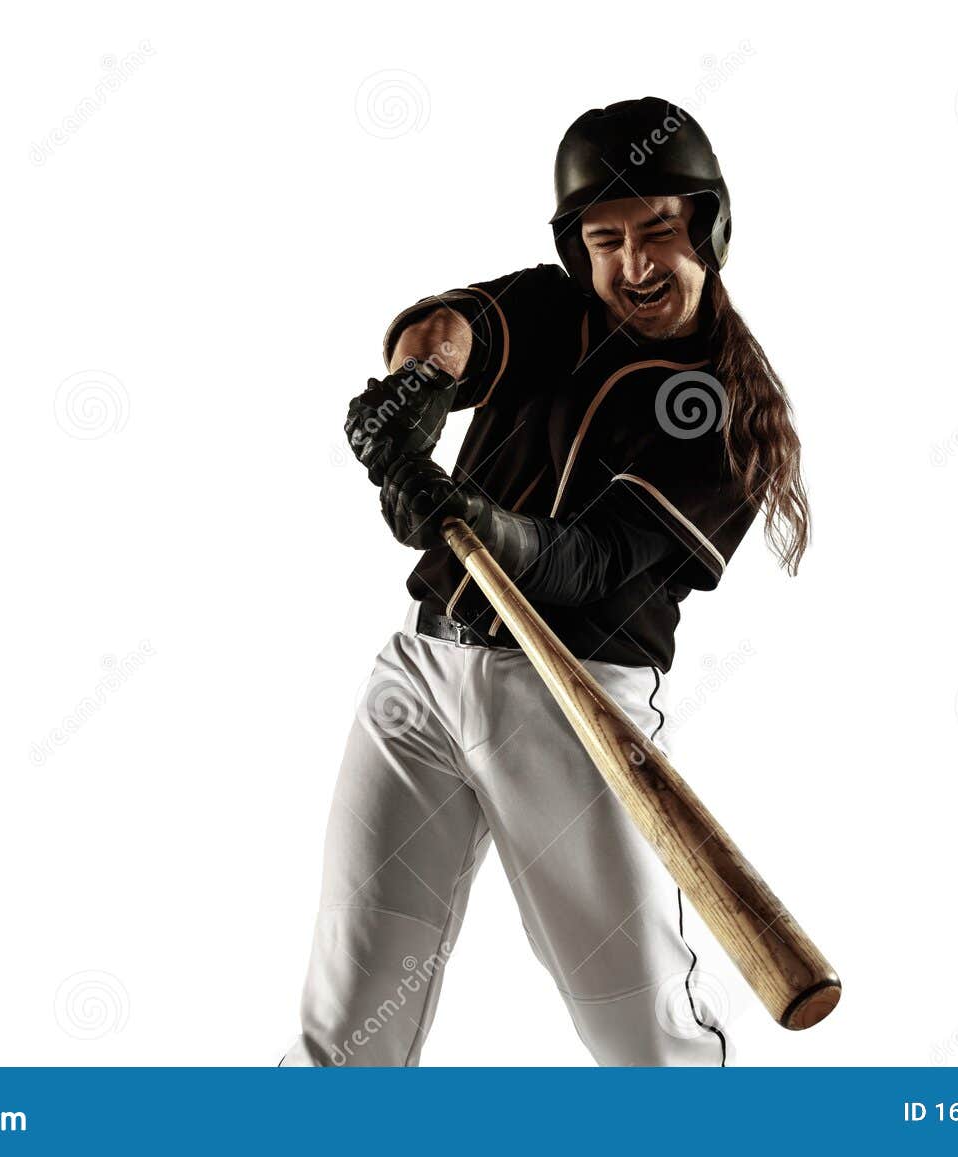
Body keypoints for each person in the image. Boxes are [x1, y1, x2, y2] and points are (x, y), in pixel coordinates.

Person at [282, 97, 809, 1066]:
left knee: (635, 1031)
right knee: (347, 1014)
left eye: (658, 228)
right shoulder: (553, 306)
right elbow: (450, 329)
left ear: (708, 223)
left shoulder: (723, 403)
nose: (635, 263)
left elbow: (595, 560)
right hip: (421, 667)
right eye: (605, 240)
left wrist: (475, 521)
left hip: (571, 703)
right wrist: (415, 393)